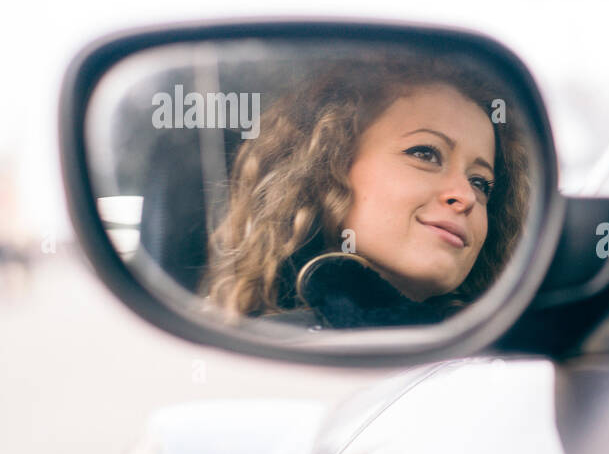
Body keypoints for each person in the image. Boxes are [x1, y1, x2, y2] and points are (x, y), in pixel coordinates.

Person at [201, 53, 530, 329]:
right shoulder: (260, 345)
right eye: (425, 154)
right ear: (327, 166)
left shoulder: (497, 352)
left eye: (480, 182)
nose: (466, 196)